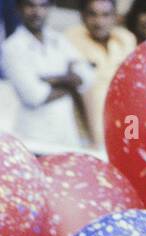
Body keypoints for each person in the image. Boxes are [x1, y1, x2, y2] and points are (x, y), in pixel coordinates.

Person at [2, 0, 93, 149]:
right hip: (35, 140)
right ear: (19, 8)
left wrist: (52, 80)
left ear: (50, 8)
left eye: (42, 6)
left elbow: (87, 76)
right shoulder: (12, 47)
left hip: (68, 137)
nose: (37, 12)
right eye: (31, 6)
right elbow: (34, 95)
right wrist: (70, 85)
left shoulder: (58, 39)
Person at [67, 0, 136, 148]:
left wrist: (132, 137)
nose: (99, 22)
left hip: (123, 131)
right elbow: (81, 91)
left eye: (106, 15)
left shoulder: (126, 40)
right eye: (93, 15)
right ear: (82, 15)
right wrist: (94, 141)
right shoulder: (71, 40)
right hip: (87, 137)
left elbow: (133, 94)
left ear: (115, 17)